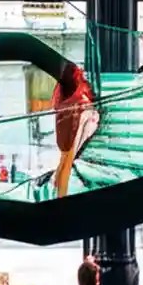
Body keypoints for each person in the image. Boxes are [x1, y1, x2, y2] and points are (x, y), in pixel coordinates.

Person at [51, 62, 99, 198]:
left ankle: (58, 190)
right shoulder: (80, 100)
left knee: (64, 160)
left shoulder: (64, 99)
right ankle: (61, 197)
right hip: (74, 128)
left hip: (67, 131)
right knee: (67, 162)